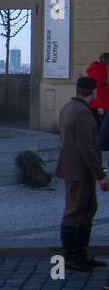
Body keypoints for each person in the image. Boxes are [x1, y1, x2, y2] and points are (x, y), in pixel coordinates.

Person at [59, 76, 108, 273]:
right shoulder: (82, 113)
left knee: (87, 209)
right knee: (75, 211)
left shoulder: (68, 107)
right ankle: (72, 257)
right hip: (80, 170)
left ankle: (81, 254)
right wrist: (100, 175)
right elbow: (89, 148)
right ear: (93, 92)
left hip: (74, 168)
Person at [86, 54, 109, 120]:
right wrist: (98, 106)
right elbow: (96, 89)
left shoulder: (102, 69)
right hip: (100, 107)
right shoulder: (97, 70)